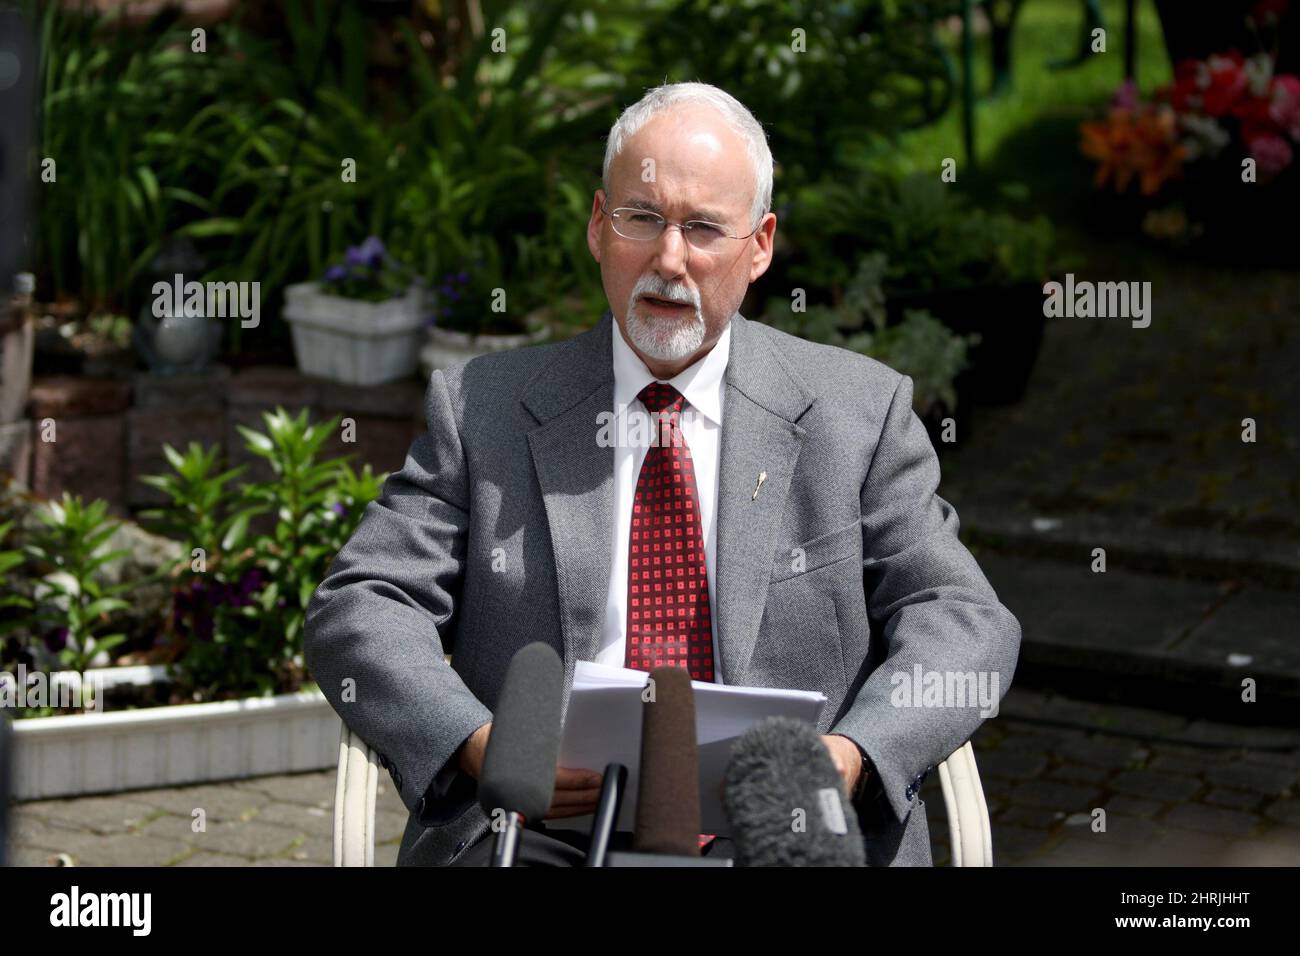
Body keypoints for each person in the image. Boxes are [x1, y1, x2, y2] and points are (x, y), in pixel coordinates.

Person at [304, 82, 1021, 867]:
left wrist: (849, 756)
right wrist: (481, 745)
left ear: (761, 245)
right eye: (642, 218)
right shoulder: (485, 410)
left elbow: (962, 618)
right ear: (597, 227)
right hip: (538, 830)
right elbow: (362, 604)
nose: (669, 258)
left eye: (704, 227)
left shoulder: (859, 415)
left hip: (784, 835)